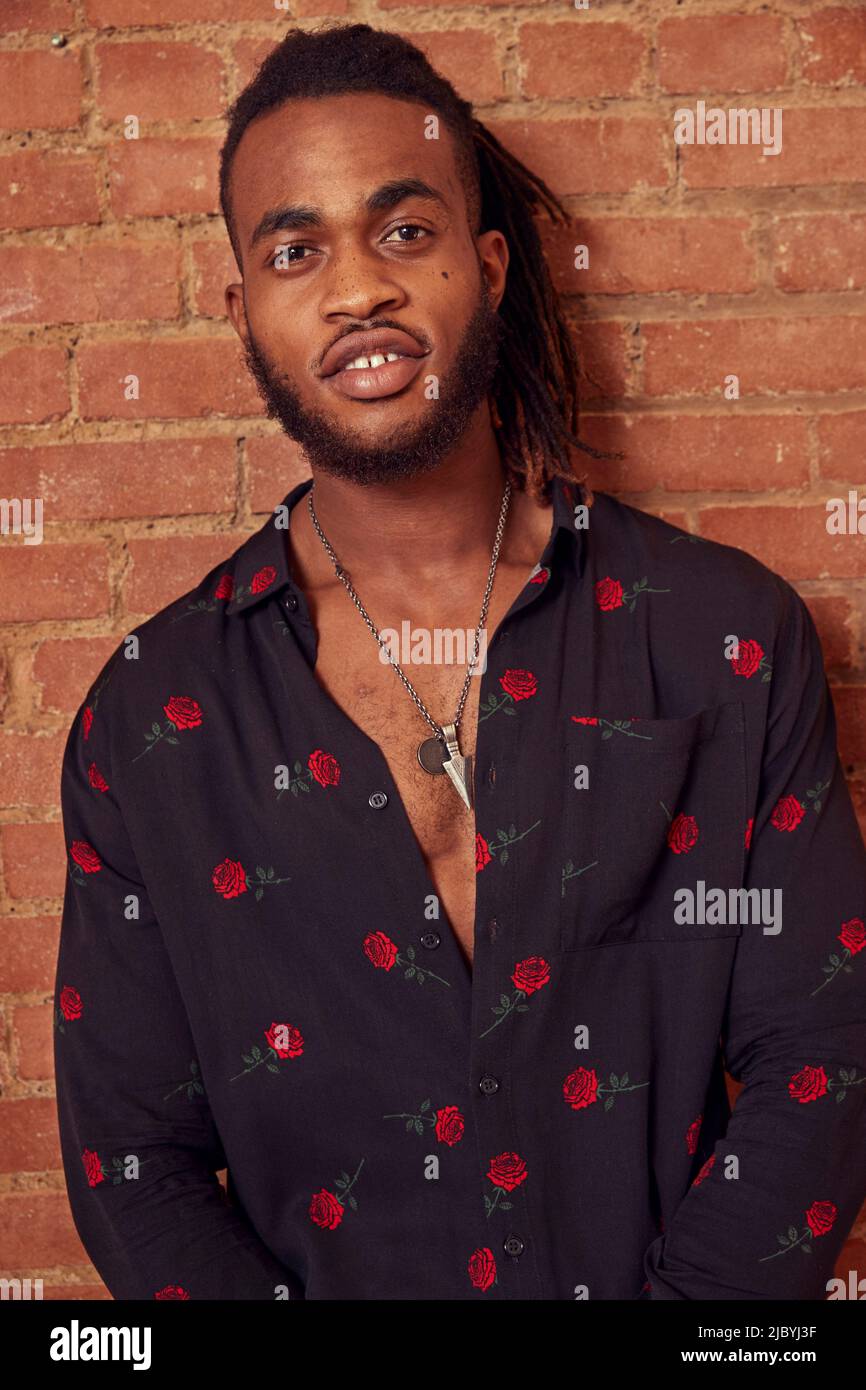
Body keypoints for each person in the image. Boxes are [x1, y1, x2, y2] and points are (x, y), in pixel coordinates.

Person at [54, 23, 866, 1301]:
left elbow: (822, 1055)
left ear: (484, 265)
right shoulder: (152, 718)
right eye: (293, 249)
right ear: (244, 312)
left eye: (404, 231)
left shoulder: (722, 636)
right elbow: (132, 1163)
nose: (356, 288)